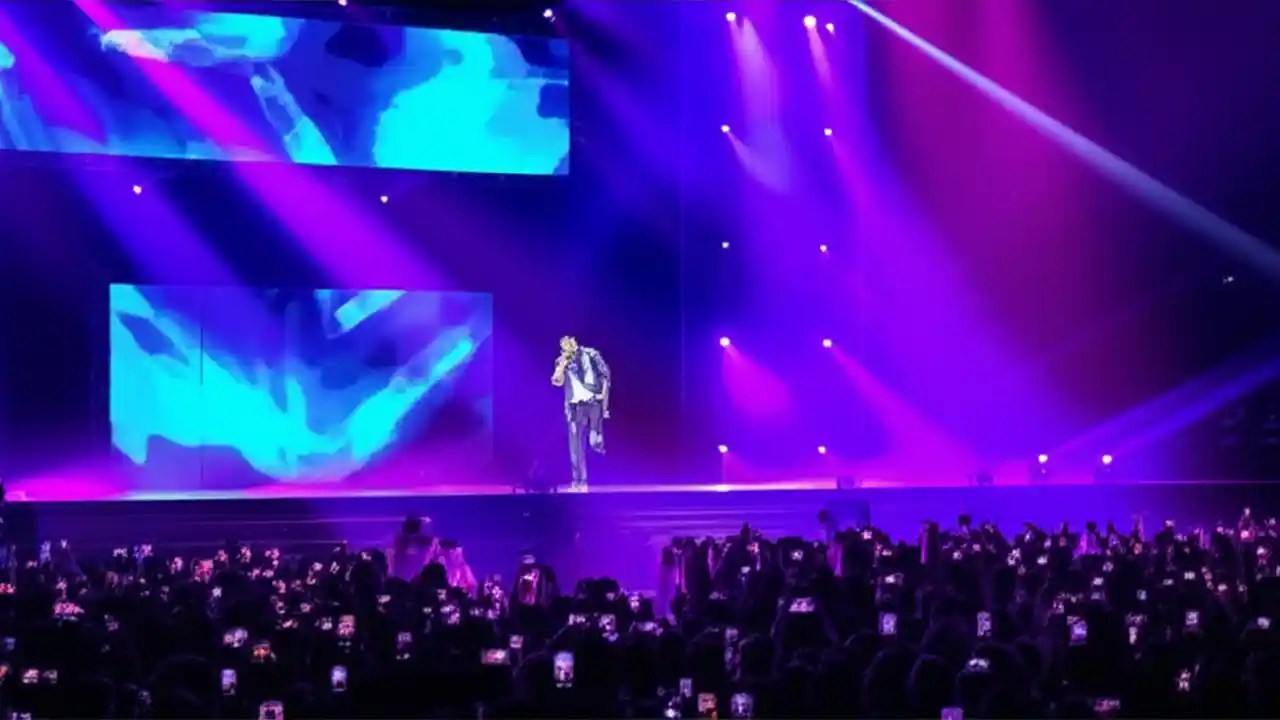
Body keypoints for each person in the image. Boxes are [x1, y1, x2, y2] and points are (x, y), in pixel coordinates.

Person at [550, 335, 610, 491]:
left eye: (568, 345)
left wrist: (604, 400)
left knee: (593, 441)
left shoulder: (590, 354)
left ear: (574, 342)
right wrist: (562, 365)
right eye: (563, 347)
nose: (566, 349)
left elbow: (605, 375)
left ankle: (599, 445)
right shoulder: (561, 362)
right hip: (575, 407)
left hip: (593, 403)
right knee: (575, 447)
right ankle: (579, 482)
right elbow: (557, 381)